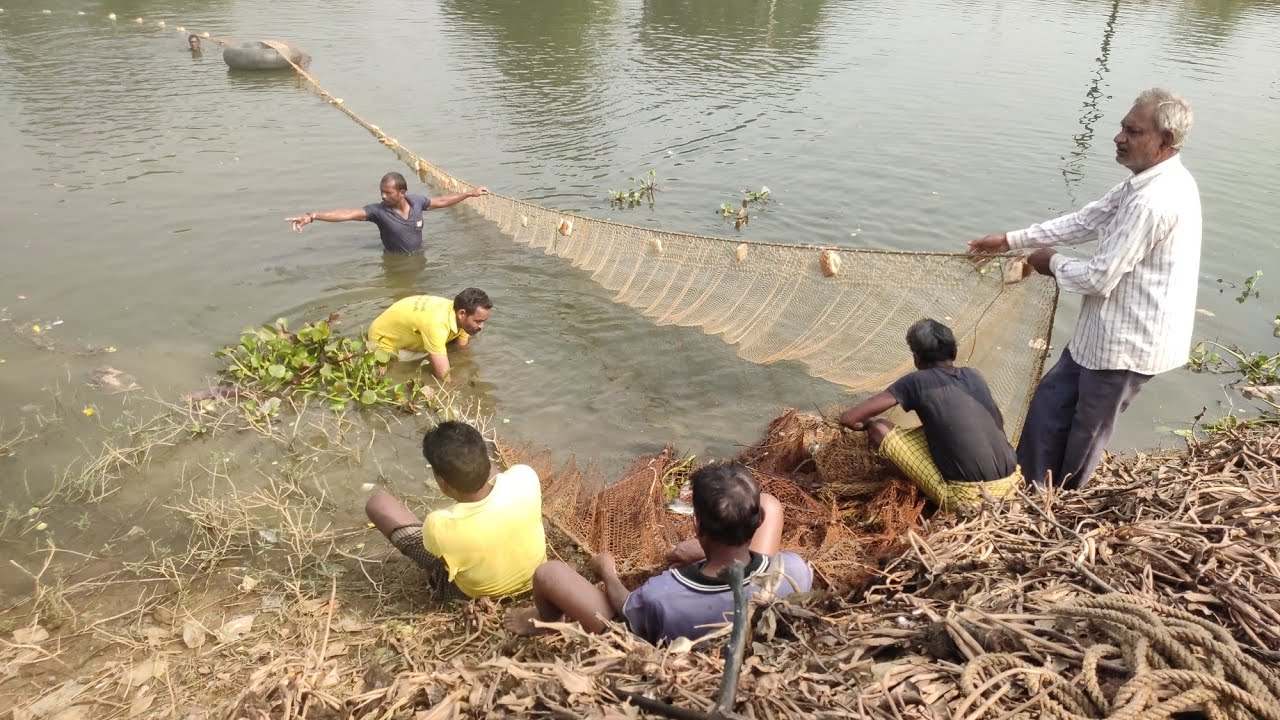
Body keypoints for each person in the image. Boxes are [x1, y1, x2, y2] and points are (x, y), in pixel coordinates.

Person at [968, 88, 1200, 491]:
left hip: (1127, 344)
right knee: (1049, 405)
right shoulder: (1142, 183)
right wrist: (1010, 240)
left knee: (1086, 433)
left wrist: (1050, 263)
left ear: (1166, 141)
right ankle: (1029, 486)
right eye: (1122, 127)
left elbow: (1098, 277)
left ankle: (1064, 505)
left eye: (1133, 131)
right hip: (1099, 335)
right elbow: (1086, 220)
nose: (1118, 137)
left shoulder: (1155, 200)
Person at [503, 462, 813, 645]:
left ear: (696, 525)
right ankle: (727, 546)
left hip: (648, 639)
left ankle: (541, 621)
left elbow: (626, 606)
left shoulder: (662, 594)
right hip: (751, 602)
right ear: (757, 523)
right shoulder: (795, 570)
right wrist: (704, 552)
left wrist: (607, 572)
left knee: (549, 574)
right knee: (771, 503)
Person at [838, 319, 1021, 512]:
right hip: (1012, 485)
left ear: (916, 357)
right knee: (933, 429)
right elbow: (998, 420)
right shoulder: (974, 375)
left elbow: (850, 418)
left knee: (879, 428)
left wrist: (865, 425)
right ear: (953, 352)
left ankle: (912, 489)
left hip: (968, 498)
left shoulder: (916, 381)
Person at [365, 421, 546, 599]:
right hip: (536, 580)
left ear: (442, 483)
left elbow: (441, 561)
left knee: (378, 503)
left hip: (475, 595)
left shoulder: (438, 523)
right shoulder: (525, 476)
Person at [286, 172, 489, 254]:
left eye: (388, 192)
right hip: (395, 259)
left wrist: (470, 193)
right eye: (381, 192)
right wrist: (313, 216)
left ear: (402, 192)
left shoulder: (417, 202)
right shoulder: (378, 212)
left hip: (418, 257)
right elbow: (346, 214)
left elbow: (443, 201)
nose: (383, 196)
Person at [368, 288, 492, 380]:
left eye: (483, 321)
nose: (481, 327)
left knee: (450, 348)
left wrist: (463, 361)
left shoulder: (458, 310)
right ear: (462, 314)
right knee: (425, 359)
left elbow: (462, 347)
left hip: (411, 325)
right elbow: (443, 376)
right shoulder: (436, 324)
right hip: (383, 342)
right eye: (478, 321)